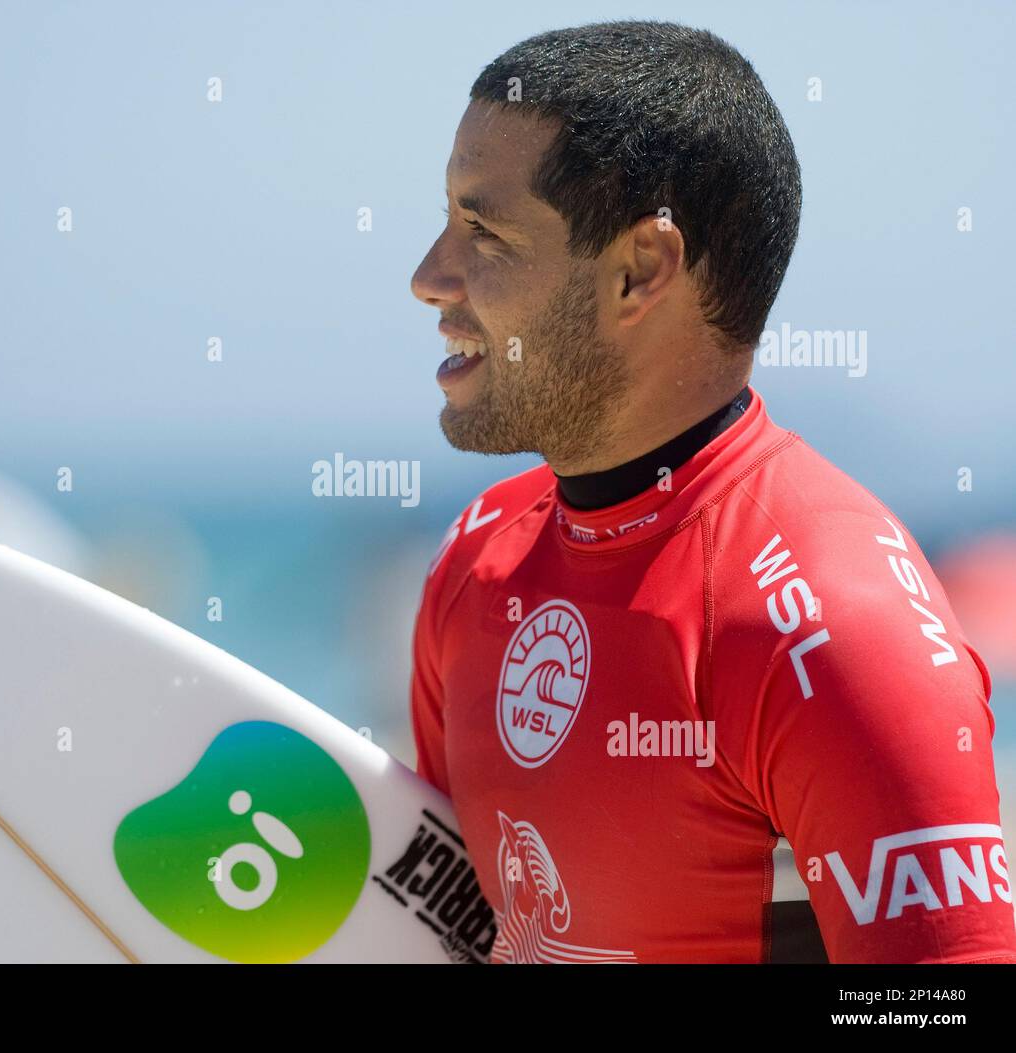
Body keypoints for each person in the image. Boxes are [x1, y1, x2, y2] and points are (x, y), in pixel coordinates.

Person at [408, 21, 1015, 964]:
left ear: (641, 269)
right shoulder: (477, 556)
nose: (427, 278)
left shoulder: (838, 627)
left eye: (482, 230)